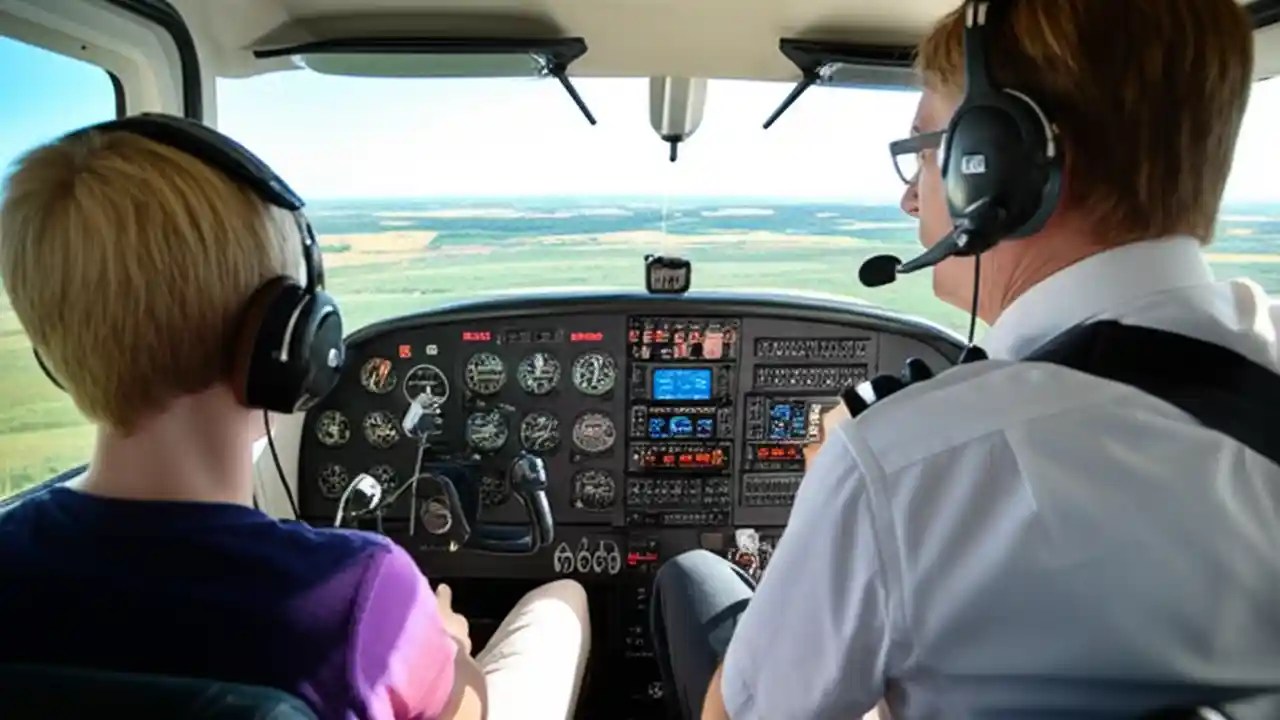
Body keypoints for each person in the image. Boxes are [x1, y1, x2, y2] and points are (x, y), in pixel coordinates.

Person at [651, 1, 1280, 718]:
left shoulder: (904, 463)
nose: (907, 196)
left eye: (924, 151)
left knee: (695, 578)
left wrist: (829, 496)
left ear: (998, 164)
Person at [0, 118, 590, 719]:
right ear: (292, 340)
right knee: (560, 603)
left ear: (54, 353)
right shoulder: (363, 591)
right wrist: (449, 649)